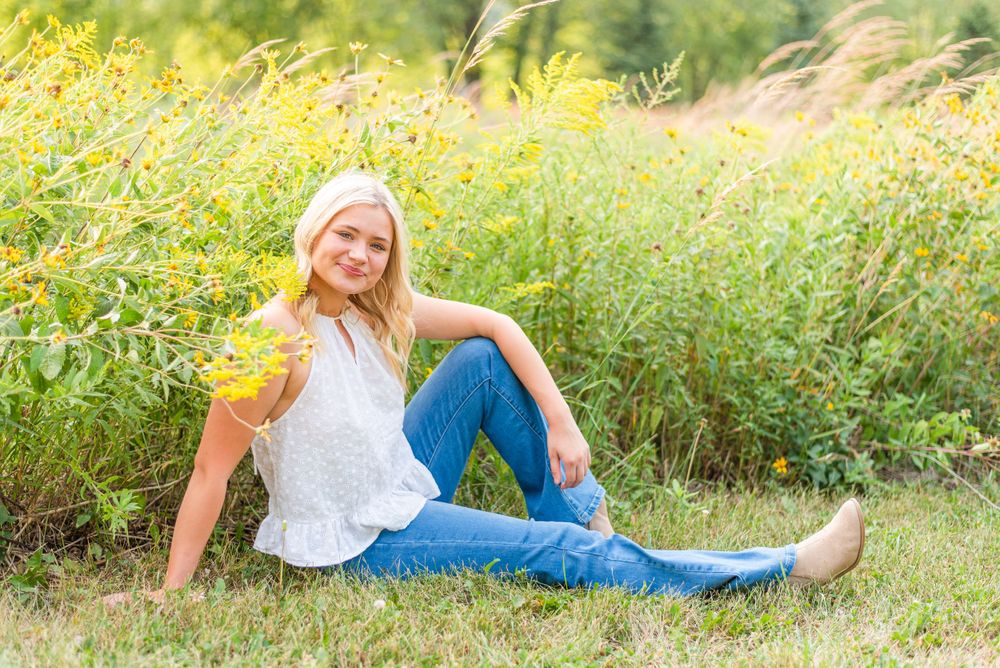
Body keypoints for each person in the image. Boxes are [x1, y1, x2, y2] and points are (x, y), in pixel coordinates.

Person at [103, 172, 864, 606]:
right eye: (346, 235)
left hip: (397, 482)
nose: (361, 256)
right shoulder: (271, 337)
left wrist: (561, 423)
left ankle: (596, 540)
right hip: (358, 540)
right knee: (554, 545)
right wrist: (171, 594)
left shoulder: (374, 313)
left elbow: (497, 323)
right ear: (313, 232)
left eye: (378, 245)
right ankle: (787, 562)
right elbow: (212, 470)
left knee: (480, 362)